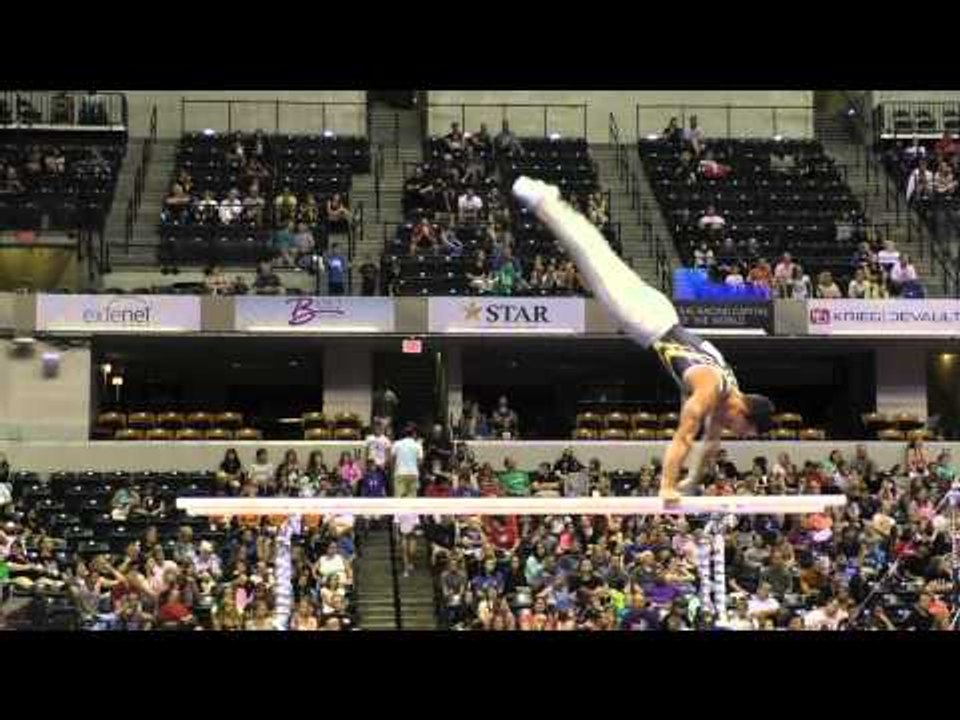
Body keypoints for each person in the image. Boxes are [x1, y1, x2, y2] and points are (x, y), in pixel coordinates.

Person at [512, 176, 775, 502]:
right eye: (742, 430)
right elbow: (683, 438)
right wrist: (667, 485)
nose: (735, 433)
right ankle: (543, 200)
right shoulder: (710, 387)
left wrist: (691, 482)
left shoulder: (727, 396)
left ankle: (549, 202)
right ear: (743, 412)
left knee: (597, 257)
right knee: (589, 255)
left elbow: (709, 446)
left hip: (659, 316)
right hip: (647, 320)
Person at [391, 423, 424, 499]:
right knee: (411, 502)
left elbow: (392, 460)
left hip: (400, 473)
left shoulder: (397, 444)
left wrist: (393, 473)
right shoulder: (418, 445)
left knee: (399, 500)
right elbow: (420, 462)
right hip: (413, 474)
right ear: (414, 434)